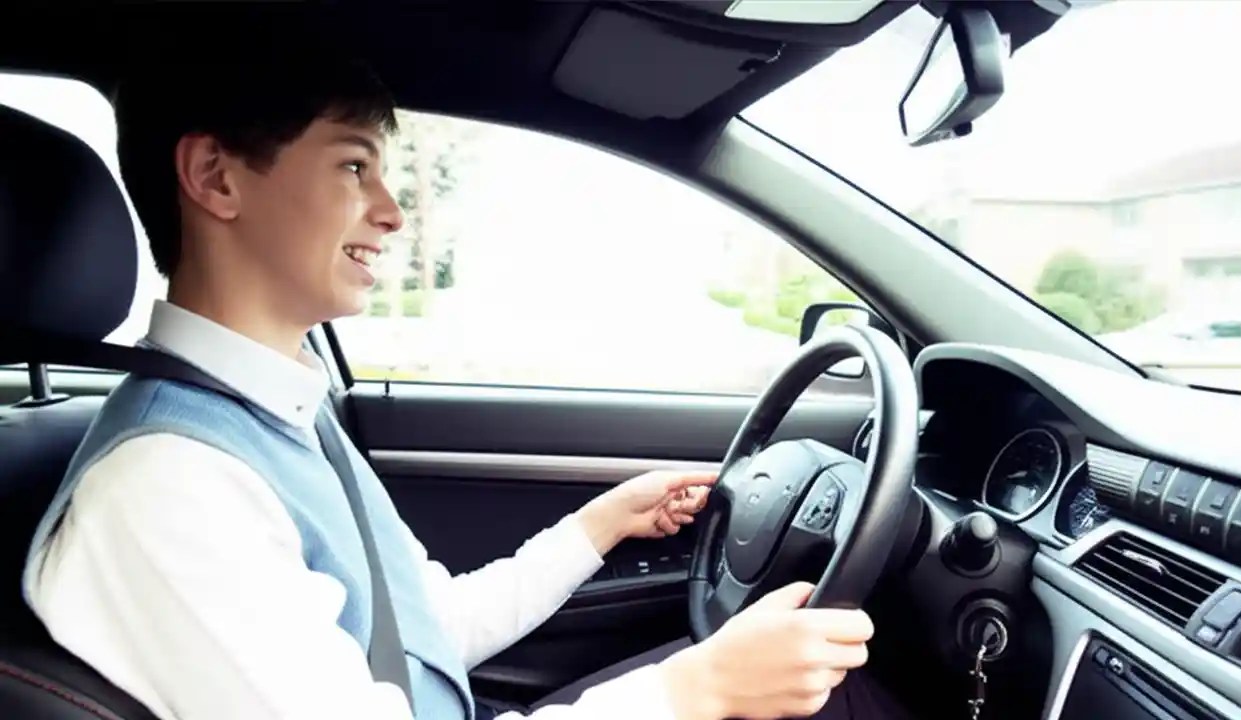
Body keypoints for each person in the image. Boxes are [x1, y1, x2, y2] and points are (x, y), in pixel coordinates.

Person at [21, 52, 909, 720]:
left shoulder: (270, 415)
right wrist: (695, 689)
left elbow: (421, 632)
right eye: (352, 166)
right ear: (216, 178)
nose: (393, 211)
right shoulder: (167, 486)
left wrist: (596, 527)